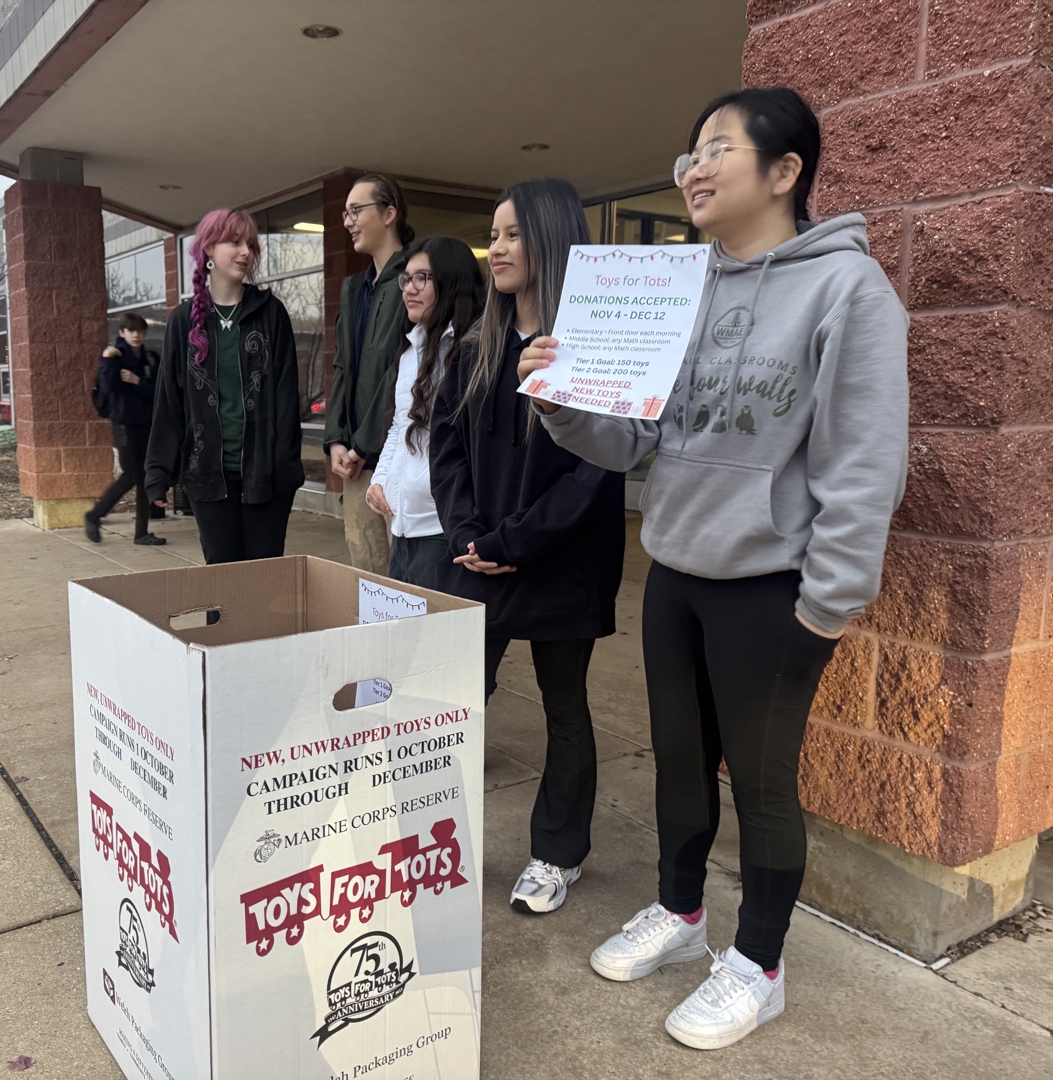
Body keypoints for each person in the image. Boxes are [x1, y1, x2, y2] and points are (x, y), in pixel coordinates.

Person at [522, 87, 909, 1051]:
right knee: (682, 767)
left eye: (718, 150)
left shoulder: (848, 291)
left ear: (786, 172)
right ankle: (681, 912)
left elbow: (866, 463)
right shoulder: (680, 288)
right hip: (677, 572)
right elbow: (639, 436)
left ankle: (759, 964)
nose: (692, 167)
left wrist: (829, 604)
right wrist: (560, 398)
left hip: (775, 588)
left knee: (764, 786)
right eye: (689, 151)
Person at [429, 178, 625, 918]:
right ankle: (430, 838)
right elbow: (445, 448)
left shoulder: (597, 348)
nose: (498, 248)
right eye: (494, 234)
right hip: (479, 559)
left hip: (562, 566)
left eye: (513, 234)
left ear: (550, 238)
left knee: (565, 709)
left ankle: (558, 853)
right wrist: (467, 534)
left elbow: (598, 471)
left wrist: (517, 540)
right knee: (452, 702)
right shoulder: (475, 348)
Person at [145, 209, 304, 564]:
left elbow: (286, 397)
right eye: (235, 241)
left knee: (265, 577)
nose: (246, 251)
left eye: (250, 243)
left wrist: (285, 470)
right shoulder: (183, 322)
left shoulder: (270, 313)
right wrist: (158, 473)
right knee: (221, 578)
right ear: (208, 250)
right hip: (208, 478)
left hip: (266, 477)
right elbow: (170, 402)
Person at [366, 236, 484, 591]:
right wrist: (380, 478)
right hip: (402, 526)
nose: (409, 289)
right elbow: (401, 425)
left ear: (451, 282)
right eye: (406, 278)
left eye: (423, 278)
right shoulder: (411, 350)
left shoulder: (474, 353)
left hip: (442, 529)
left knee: (435, 644)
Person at [322, 174, 415, 575]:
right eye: (345, 212)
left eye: (356, 210)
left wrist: (363, 443)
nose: (348, 221)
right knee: (368, 573)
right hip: (356, 464)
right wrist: (335, 440)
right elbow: (343, 367)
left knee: (408, 579)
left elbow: (402, 372)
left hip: (400, 459)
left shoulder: (415, 282)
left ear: (390, 213)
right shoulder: (353, 288)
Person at [84, 312, 167, 546]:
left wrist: (137, 381)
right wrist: (106, 360)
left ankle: (141, 533)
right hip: (125, 425)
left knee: (143, 477)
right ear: (122, 333)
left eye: (140, 331)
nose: (136, 335)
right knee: (132, 474)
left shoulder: (150, 358)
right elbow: (109, 389)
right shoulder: (115, 357)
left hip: (147, 424)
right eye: (131, 331)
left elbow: (159, 391)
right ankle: (94, 515)